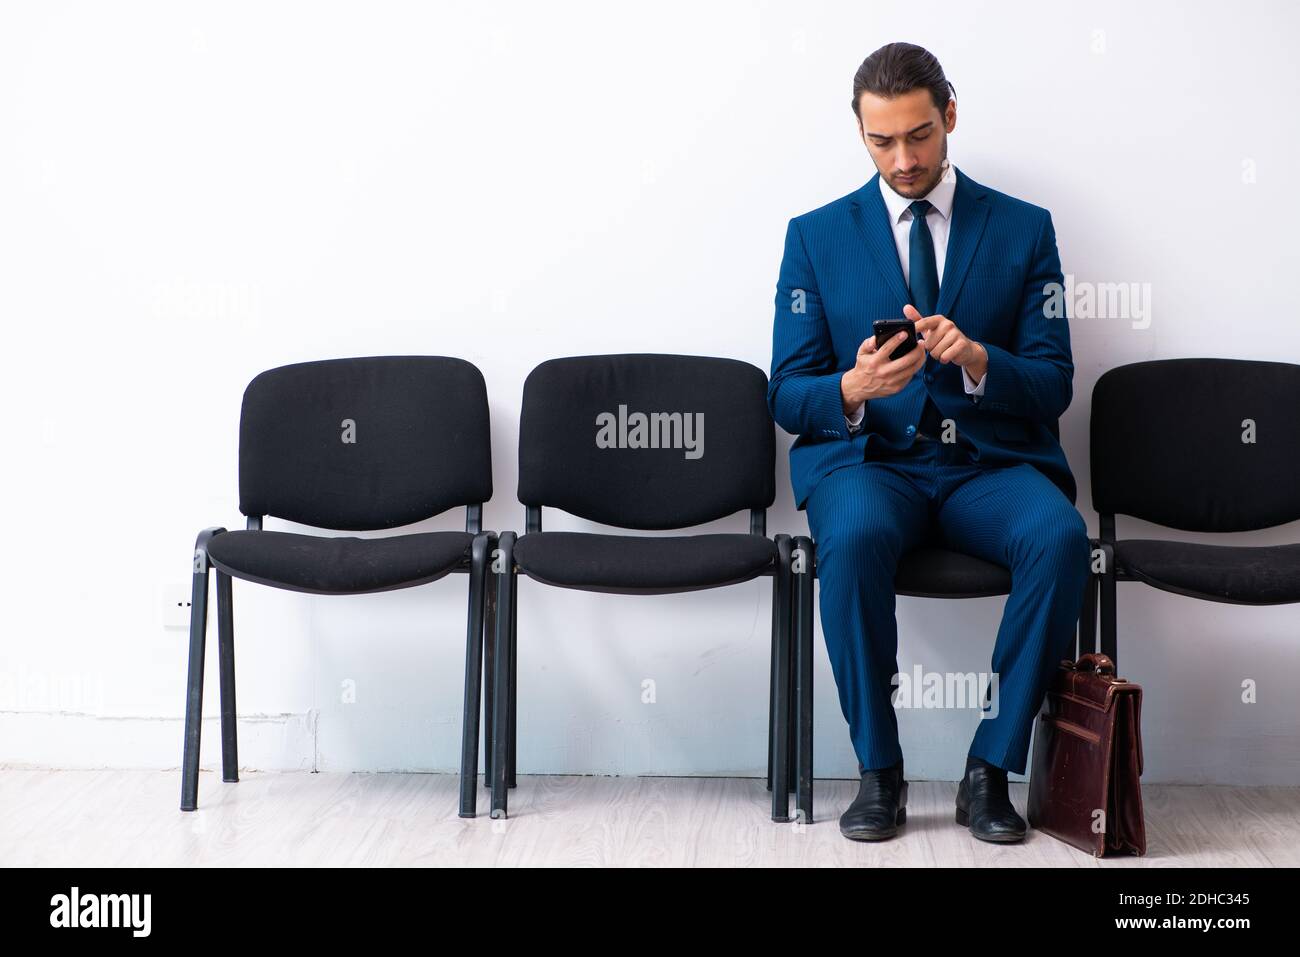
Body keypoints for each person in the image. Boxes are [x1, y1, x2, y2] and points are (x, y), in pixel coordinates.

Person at [767, 41, 1089, 843]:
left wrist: (982, 361)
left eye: (919, 135)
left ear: (950, 115)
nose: (903, 159)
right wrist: (850, 389)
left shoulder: (1024, 228)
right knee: (855, 534)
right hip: (872, 463)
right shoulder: (815, 237)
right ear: (860, 133)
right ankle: (880, 770)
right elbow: (784, 390)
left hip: (988, 463)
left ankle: (991, 769)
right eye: (882, 142)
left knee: (1058, 537)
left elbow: (1054, 380)